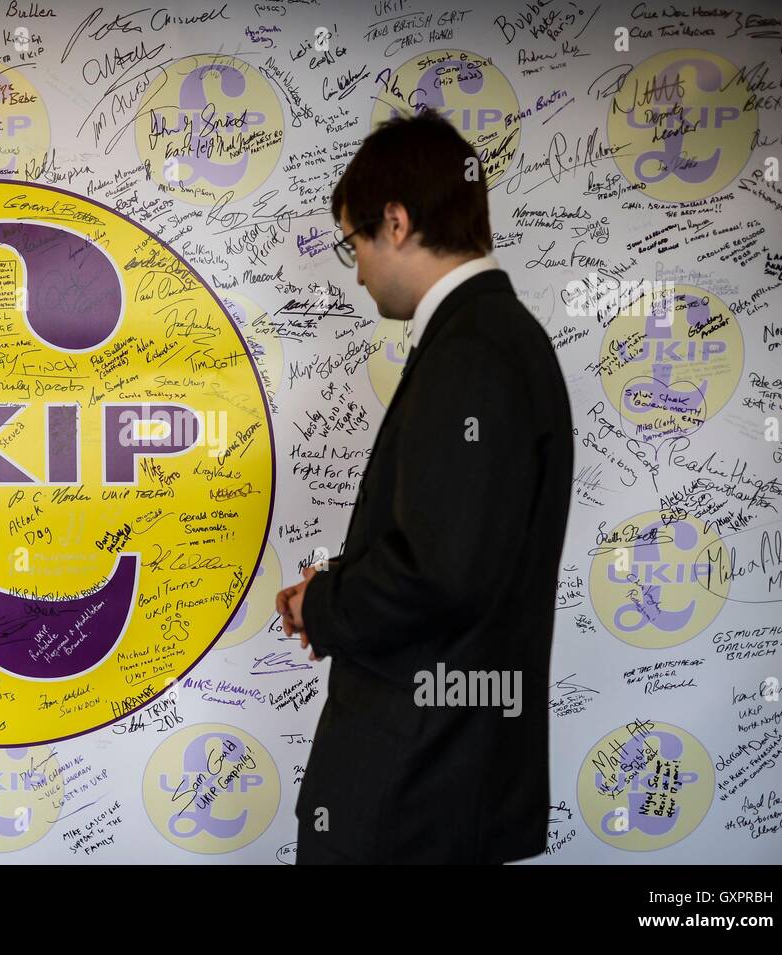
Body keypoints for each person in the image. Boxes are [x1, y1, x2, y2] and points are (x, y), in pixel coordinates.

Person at [276, 108, 574, 864]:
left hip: (414, 794)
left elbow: (439, 575)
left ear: (397, 222)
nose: (357, 269)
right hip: (443, 786)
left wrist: (324, 603)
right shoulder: (497, 339)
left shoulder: (472, 351)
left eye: (356, 241)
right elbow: (455, 548)